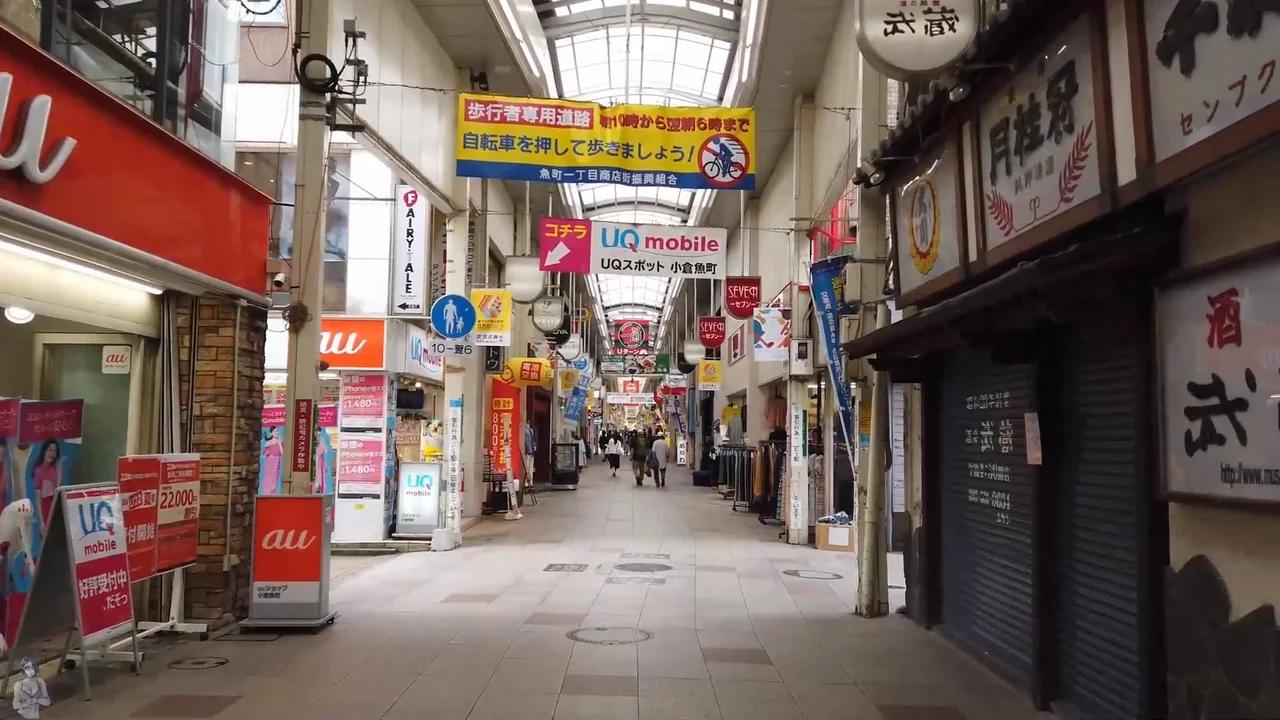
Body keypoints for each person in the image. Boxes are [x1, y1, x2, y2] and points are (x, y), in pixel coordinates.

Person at [32, 441, 61, 524]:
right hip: (45, 505)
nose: (53, 453)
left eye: (55, 451)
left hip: (56, 504)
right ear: (44, 451)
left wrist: (59, 471)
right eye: (50, 450)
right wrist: (41, 522)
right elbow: (38, 498)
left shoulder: (55, 469)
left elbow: (57, 489)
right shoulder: (39, 470)